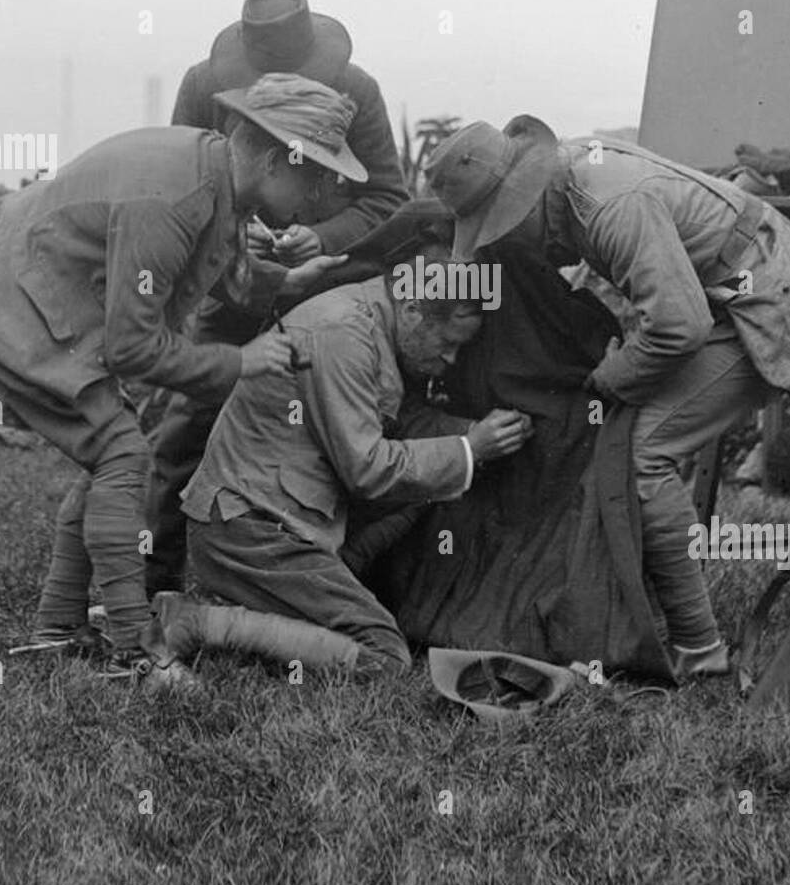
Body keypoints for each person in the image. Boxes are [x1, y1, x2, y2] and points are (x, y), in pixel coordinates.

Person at [0, 74, 362, 678]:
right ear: (278, 160)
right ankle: (133, 648)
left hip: (44, 296)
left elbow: (221, 260)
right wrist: (240, 363)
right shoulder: (172, 198)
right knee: (123, 455)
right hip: (17, 307)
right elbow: (134, 348)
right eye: (316, 171)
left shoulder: (214, 175)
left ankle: (58, 628)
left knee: (109, 454)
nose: (322, 189)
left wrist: (286, 282)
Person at [425, 117, 790, 679]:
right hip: (731, 293)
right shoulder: (573, 177)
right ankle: (656, 593)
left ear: (525, 198)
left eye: (501, 226)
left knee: (642, 451)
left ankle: (701, 649)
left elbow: (678, 327)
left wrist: (609, 378)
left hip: (775, 306)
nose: (503, 240)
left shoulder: (611, 206)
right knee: (634, 428)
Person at [150, 242, 534, 675]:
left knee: (435, 487)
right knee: (385, 655)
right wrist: (470, 448)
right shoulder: (342, 334)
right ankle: (198, 621)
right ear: (411, 311)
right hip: (250, 531)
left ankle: (305, 595)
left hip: (275, 522)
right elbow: (367, 469)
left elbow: (398, 424)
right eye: (448, 343)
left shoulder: (372, 320)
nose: (450, 360)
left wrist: (472, 434)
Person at [147, 0, 409, 596]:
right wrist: (241, 245)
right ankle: (154, 577)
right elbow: (183, 184)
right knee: (185, 430)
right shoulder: (201, 87)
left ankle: (326, 579)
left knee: (334, 435)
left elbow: (387, 198)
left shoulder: (358, 90)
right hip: (230, 287)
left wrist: (319, 236)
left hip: (323, 296)